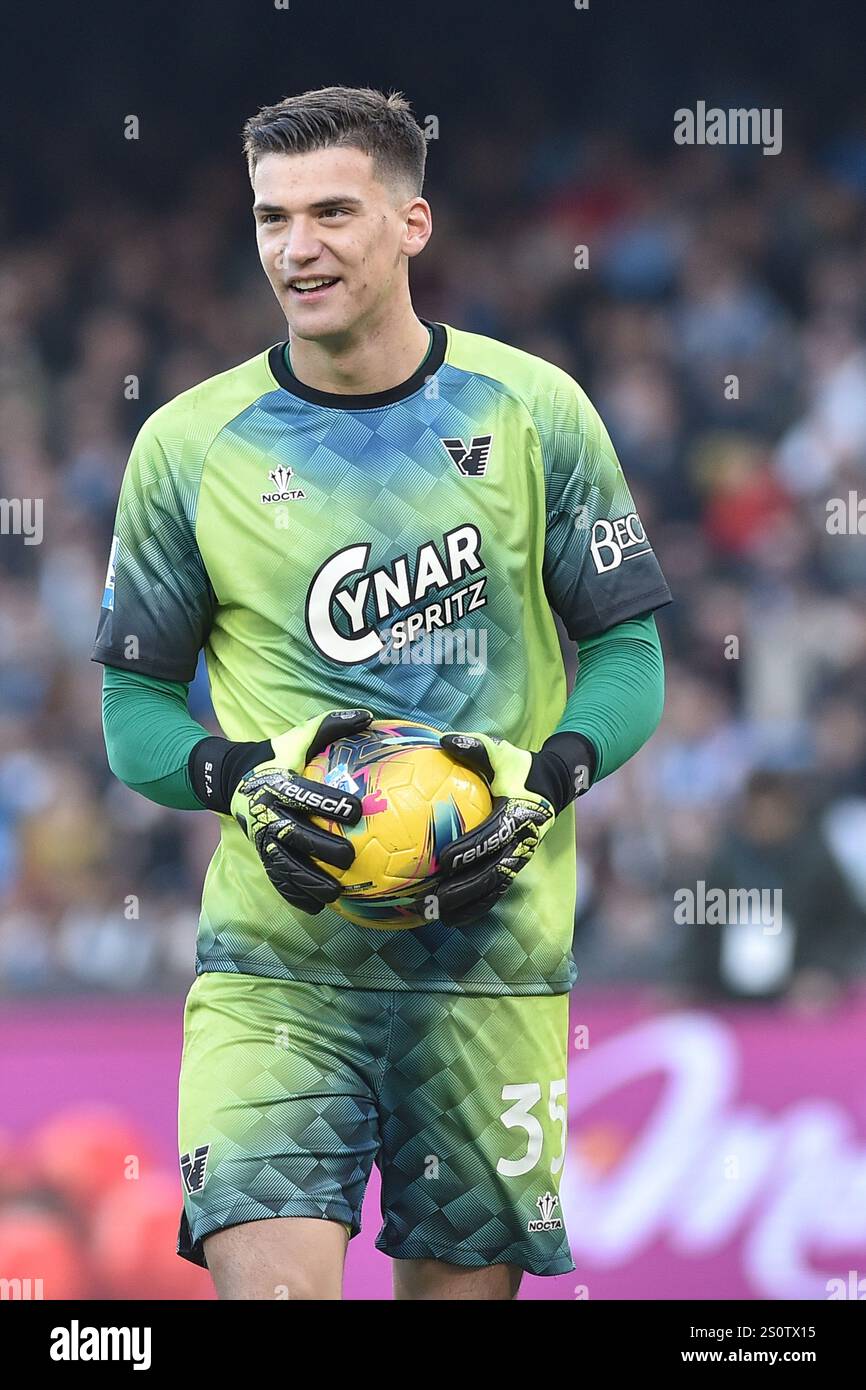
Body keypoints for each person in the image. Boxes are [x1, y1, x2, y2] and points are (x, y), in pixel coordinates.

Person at [93, 86, 670, 1300]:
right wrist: (239, 778)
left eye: (331, 212)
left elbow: (628, 656)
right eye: (271, 218)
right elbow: (133, 711)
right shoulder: (190, 446)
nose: (295, 248)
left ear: (412, 222)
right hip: (276, 963)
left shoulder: (534, 412)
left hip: (490, 960)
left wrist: (546, 778)